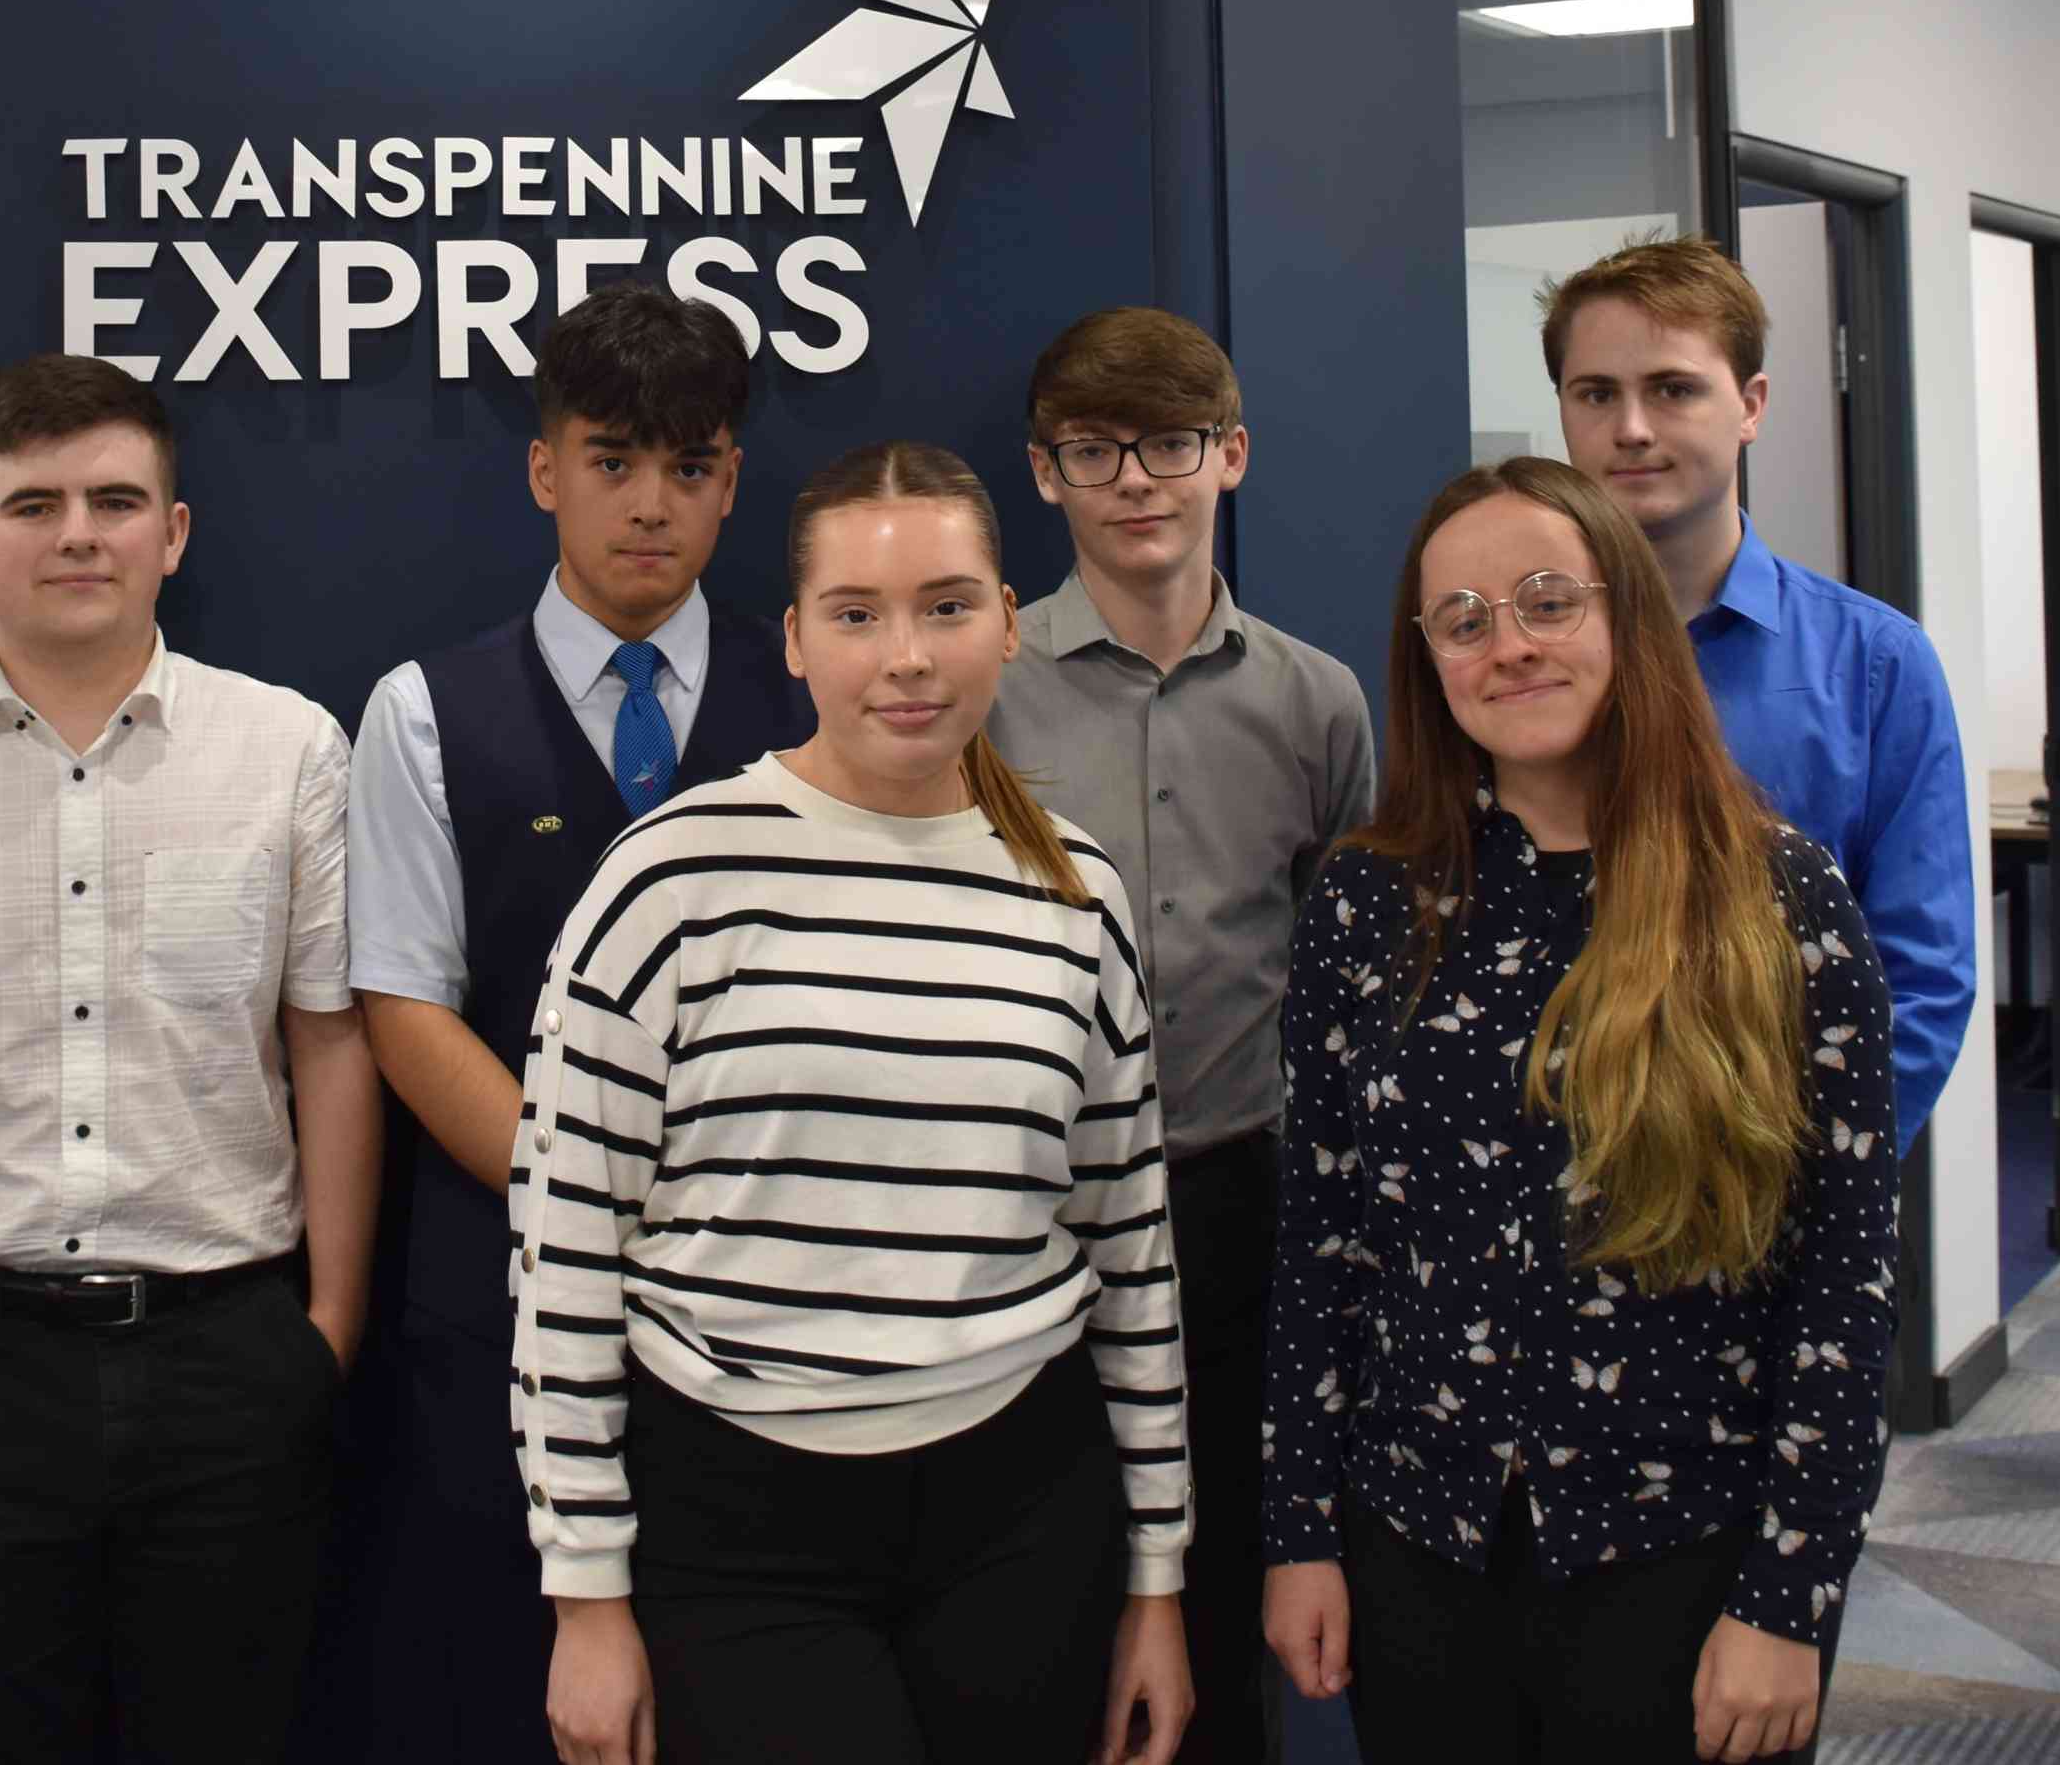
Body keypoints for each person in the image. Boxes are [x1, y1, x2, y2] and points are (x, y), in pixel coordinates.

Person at [511, 441, 1195, 1765]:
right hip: (738, 1519)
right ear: (792, 640)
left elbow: (1133, 1250)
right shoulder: (666, 880)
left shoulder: (1074, 891)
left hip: (1022, 1512)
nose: (906, 656)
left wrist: (1156, 1577)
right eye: (856, 613)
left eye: (946, 606)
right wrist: (583, 1595)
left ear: (1007, 624)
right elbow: (565, 1249)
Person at [0, 354, 379, 1761]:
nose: (79, 532)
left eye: (115, 498)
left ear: (173, 533)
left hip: (231, 1359)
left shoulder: (288, 750)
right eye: (34, 504)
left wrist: (325, 1326)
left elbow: (329, 1045)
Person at [1260, 457, 1895, 1764]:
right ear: (1426, 657)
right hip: (1416, 1541)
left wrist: (1789, 1593)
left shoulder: (1776, 898)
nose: (1510, 644)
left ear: (1623, 620)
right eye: (1465, 618)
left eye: (1547, 599)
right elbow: (1320, 1244)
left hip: (1678, 1545)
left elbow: (1842, 1281)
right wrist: (1299, 1532)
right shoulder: (1370, 902)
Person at [346, 284, 813, 1760]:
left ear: (731, 481)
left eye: (688, 468)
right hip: (501, 1302)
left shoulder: (816, 687)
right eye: (611, 460)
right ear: (545, 467)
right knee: (511, 1700)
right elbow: (406, 1009)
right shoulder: (422, 710)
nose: (650, 505)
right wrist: (600, 1201)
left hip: (768, 1307)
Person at [990, 306, 1373, 1761]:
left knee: (1215, 1607)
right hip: (1026, 1210)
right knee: (1038, 1598)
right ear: (1043, 475)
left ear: (1231, 454)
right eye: (1091, 451)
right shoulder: (980, 681)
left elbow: (1343, 977)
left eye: (1167, 444)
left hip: (1238, 1205)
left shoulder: (1314, 699)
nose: (1133, 481)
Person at [1547, 238, 1972, 1156]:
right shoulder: (1512, 653)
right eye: (1595, 394)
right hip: (1529, 1187)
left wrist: (1811, 1188)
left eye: (1672, 388)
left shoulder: (1874, 664)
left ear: (1750, 406)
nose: (1630, 428)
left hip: (1778, 1186)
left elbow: (1923, 973)